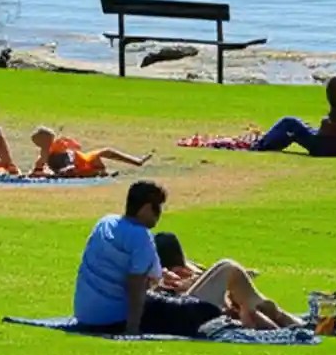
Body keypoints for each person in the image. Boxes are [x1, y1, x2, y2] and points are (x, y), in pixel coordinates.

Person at [73, 181, 224, 336]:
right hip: (115, 319)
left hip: (86, 315)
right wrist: (132, 329)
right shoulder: (140, 236)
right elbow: (135, 284)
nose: (159, 214)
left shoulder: (105, 223)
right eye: (157, 208)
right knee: (205, 309)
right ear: (146, 208)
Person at [153, 232, 302, 330]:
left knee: (247, 308)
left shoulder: (156, 275)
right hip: (187, 314)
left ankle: (285, 320)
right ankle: (285, 320)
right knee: (248, 306)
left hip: (188, 310)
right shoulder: (160, 280)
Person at [253, 75, 336, 157]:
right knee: (295, 131)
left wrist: (325, 124)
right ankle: (266, 143)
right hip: (333, 147)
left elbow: (327, 130)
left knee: (290, 123)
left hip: (324, 148)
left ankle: (262, 144)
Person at [30, 127, 151, 177]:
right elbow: (39, 168)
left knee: (106, 151)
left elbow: (72, 153)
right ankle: (101, 173)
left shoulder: (59, 145)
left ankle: (137, 161)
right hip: (75, 168)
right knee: (72, 171)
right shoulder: (45, 153)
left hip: (82, 161)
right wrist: (43, 172)